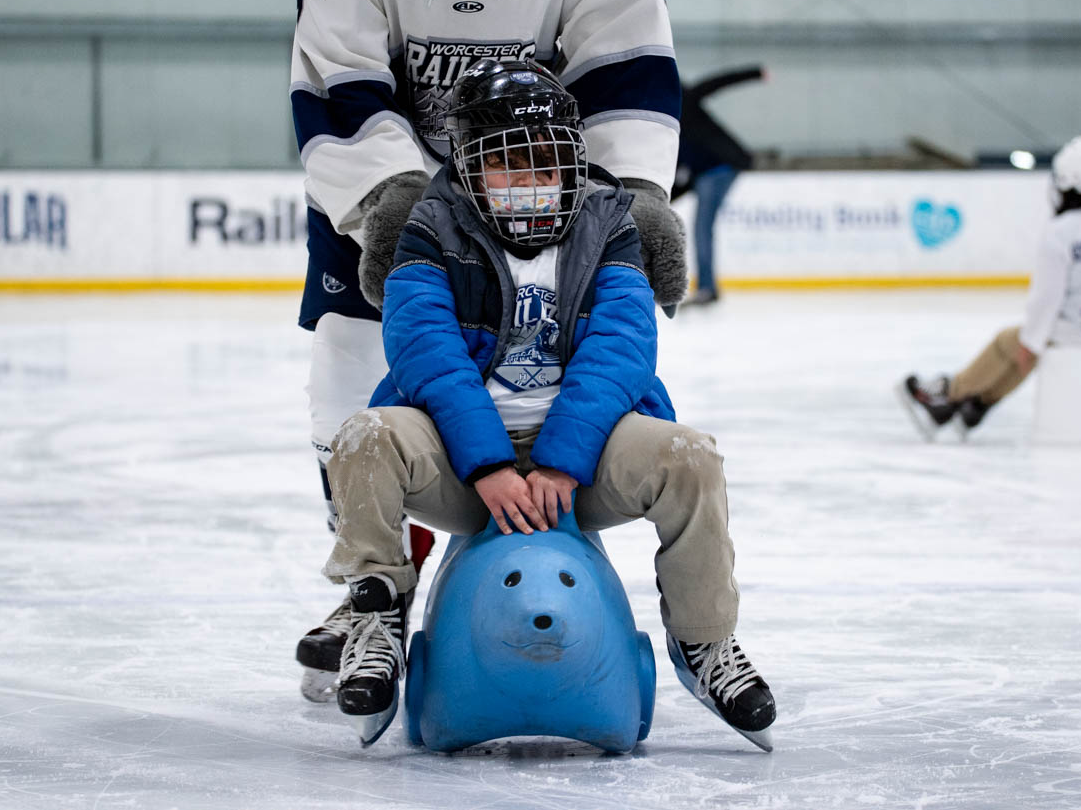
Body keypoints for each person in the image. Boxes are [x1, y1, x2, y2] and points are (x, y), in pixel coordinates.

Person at [270, 0, 688, 701]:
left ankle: (544, 525)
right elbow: (338, 64)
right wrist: (386, 194)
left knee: (546, 353)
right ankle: (375, 586)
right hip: (389, 191)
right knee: (351, 355)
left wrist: (633, 195)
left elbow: (625, 61)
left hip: (536, 196)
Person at [321, 59, 776, 749]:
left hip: (585, 465)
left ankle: (703, 640)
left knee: (690, 457)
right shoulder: (428, 227)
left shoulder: (610, 225)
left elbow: (622, 349)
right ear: (469, 168)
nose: (531, 181)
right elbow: (428, 357)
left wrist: (563, 462)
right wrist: (489, 465)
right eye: (507, 164)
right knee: (364, 438)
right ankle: (376, 616)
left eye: (546, 162)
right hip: (462, 462)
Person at [898, 135, 1081, 439]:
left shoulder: (1062, 231)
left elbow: (1046, 297)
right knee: (1026, 347)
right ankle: (977, 405)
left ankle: (947, 395)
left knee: (1012, 343)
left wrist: (1031, 341)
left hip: (1075, 332)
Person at [671, 66, 766, 306]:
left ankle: (707, 289)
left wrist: (754, 73)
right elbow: (684, 175)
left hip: (719, 166)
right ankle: (706, 287)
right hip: (705, 173)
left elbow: (716, 82)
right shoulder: (667, 125)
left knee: (702, 227)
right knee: (702, 227)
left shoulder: (685, 100)